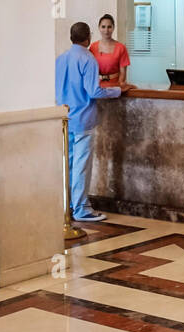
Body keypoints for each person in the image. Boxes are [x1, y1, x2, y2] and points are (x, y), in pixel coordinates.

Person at [55, 21, 123, 221]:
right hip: (83, 118)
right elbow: (94, 91)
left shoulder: (60, 59)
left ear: (71, 37)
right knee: (81, 166)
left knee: (68, 163)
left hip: (64, 119)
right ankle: (82, 208)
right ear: (88, 38)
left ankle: (66, 205)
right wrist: (118, 89)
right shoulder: (88, 59)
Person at [89, 13, 131, 88]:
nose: (106, 30)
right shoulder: (93, 47)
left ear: (113, 28)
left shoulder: (121, 48)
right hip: (97, 88)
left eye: (109, 27)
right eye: (103, 27)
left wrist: (118, 88)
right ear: (99, 28)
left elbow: (123, 73)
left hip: (115, 88)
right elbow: (90, 70)